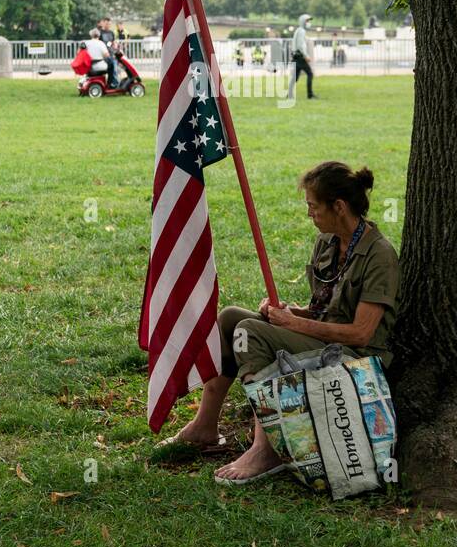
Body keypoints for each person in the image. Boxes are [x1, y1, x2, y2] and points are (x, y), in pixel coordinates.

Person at [157, 162, 400, 485]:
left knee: (251, 333)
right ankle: (205, 426)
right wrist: (291, 313)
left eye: (314, 207)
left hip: (353, 355)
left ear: (339, 207)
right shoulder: (328, 243)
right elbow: (323, 310)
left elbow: (361, 332)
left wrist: (293, 325)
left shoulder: (378, 255)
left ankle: (267, 446)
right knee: (231, 319)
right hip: (324, 341)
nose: (309, 215)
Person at [288, 13, 316, 100]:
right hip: (300, 57)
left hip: (296, 56)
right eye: (307, 21)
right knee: (310, 74)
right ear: (303, 22)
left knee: (295, 77)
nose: (308, 23)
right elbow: (301, 45)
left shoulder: (299, 30)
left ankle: (289, 94)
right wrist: (306, 56)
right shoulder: (302, 31)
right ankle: (310, 95)